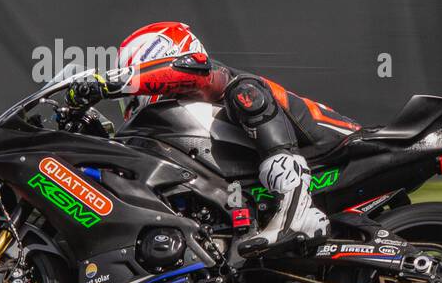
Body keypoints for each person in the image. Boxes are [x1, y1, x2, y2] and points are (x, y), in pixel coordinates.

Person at [66, 21, 360, 252]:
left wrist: (108, 83)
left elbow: (187, 71)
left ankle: (297, 207)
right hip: (269, 180)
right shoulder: (186, 126)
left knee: (243, 93)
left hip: (335, 147)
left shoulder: (210, 79)